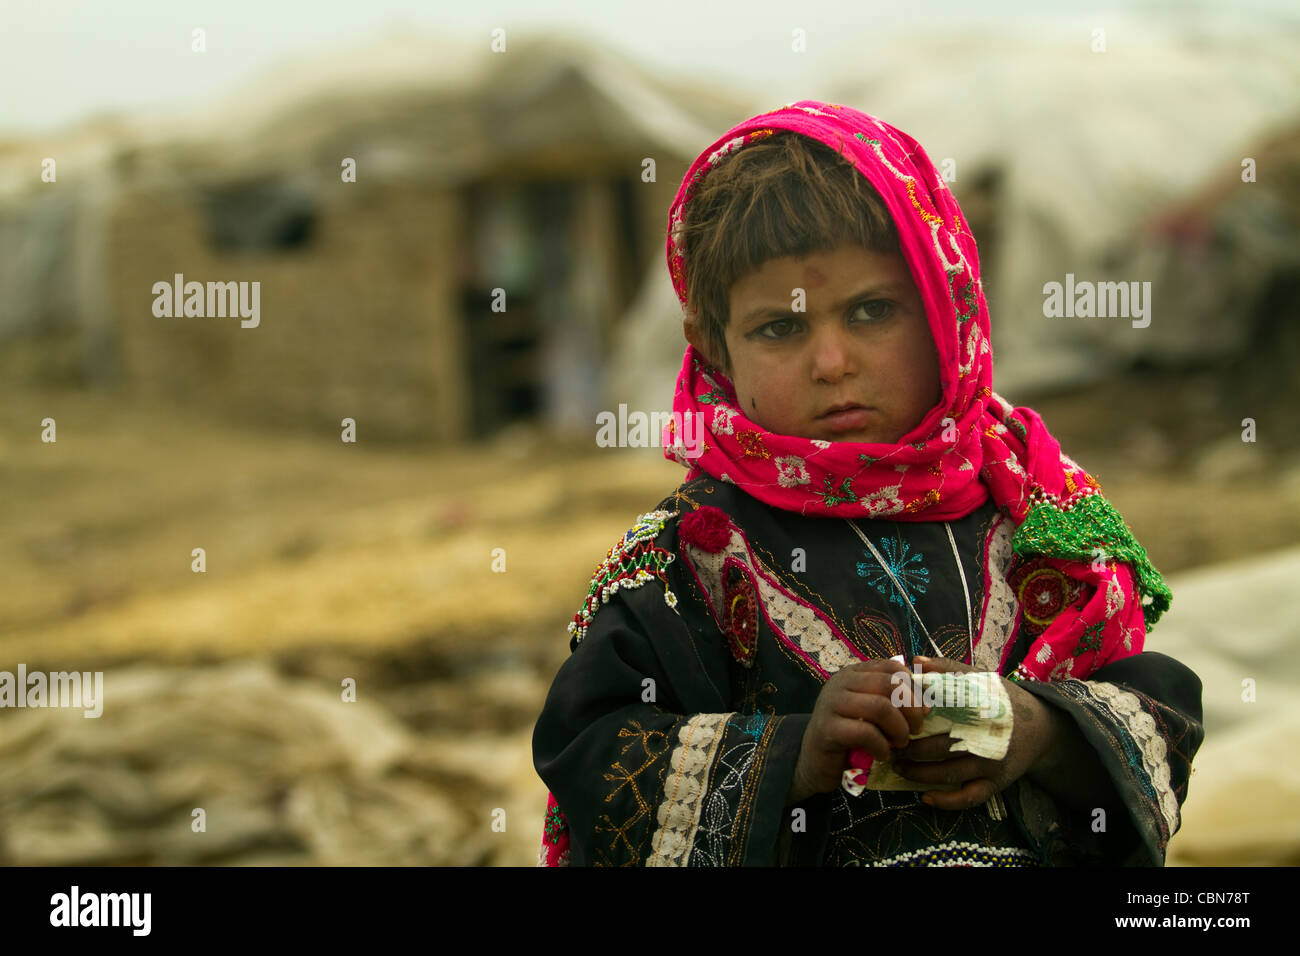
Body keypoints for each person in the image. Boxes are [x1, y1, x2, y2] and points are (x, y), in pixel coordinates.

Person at [531, 101, 1203, 866]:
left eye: (872, 311)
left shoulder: (1042, 511)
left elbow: (1161, 712)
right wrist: (793, 756)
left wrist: (1040, 728)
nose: (831, 363)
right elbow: (593, 754)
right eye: (780, 328)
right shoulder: (689, 557)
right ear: (712, 345)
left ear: (947, 309)